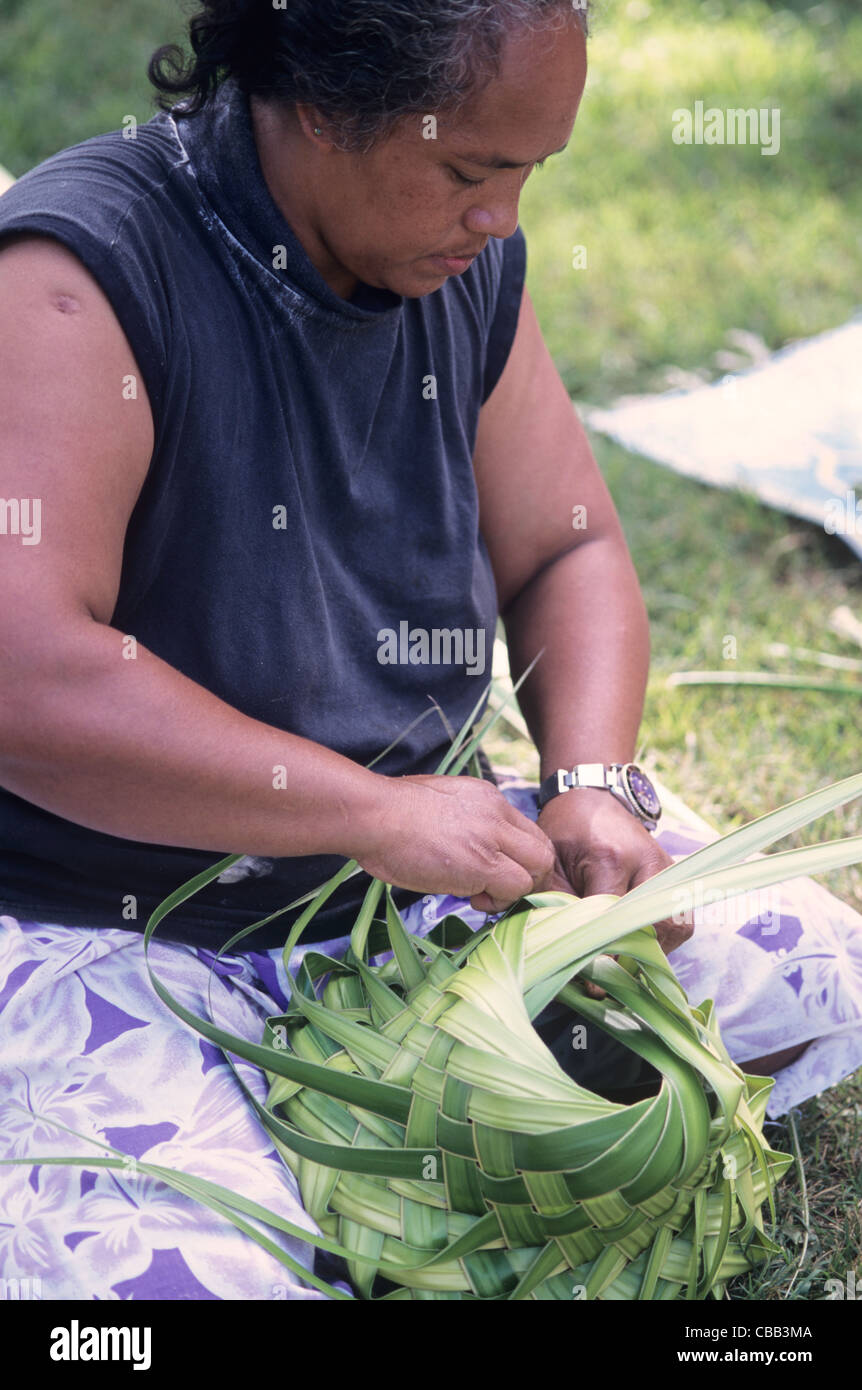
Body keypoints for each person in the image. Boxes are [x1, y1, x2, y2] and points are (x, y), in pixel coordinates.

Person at [1, 0, 861, 1300]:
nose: (501, 219)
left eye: (525, 173)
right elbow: (27, 676)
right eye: (469, 170)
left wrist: (588, 781)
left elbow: (565, 550)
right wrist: (362, 809)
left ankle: (352, 1165)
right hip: (115, 916)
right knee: (188, 1286)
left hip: (424, 880)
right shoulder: (82, 278)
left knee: (824, 985)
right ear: (317, 105)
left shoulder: (456, 275)